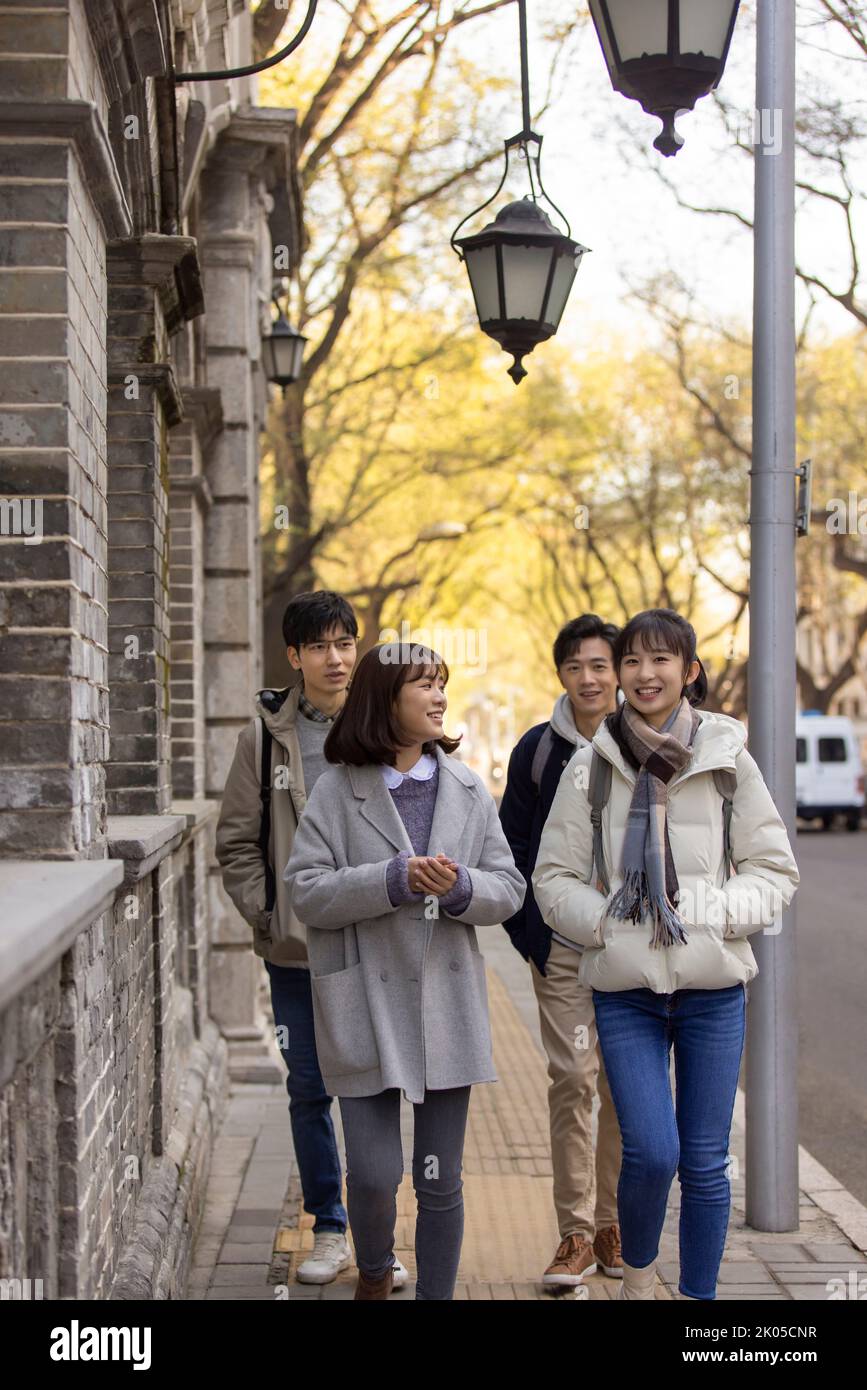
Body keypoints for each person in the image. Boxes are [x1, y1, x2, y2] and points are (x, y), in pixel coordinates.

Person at [533, 608, 800, 1301]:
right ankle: (640, 1274)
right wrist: (607, 924)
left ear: (689, 672)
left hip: (712, 988)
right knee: (652, 1152)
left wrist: (713, 913)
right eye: (630, 660)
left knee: (707, 1163)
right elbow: (552, 878)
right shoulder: (590, 766)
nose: (643, 674)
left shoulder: (726, 761)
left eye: (660, 661)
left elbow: (773, 869)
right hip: (624, 991)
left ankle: (697, 1302)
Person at [283, 641, 525, 1300]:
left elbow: (508, 887)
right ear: (383, 698)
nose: (439, 696)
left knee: (439, 1175)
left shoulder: (470, 788)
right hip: (363, 998)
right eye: (423, 684)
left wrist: (457, 888)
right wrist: (390, 879)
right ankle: (372, 1269)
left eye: (442, 683)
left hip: (446, 1005)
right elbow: (304, 889)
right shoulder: (336, 792)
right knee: (371, 1172)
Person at [215, 590, 408, 1289]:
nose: (336, 658)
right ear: (293, 656)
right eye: (320, 646)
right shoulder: (265, 739)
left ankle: (379, 1238)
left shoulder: (386, 728)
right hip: (297, 951)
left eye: (345, 643)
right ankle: (327, 1225)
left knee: (380, 1085)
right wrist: (268, 915)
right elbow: (236, 842)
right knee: (308, 1088)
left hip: (377, 947)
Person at [499, 615, 624, 1289]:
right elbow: (510, 848)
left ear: (619, 671)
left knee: (623, 1088)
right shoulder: (537, 751)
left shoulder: (647, 742)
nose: (588, 678)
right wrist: (532, 939)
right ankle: (574, 1233)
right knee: (574, 1079)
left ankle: (611, 1224)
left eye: (600, 665)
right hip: (564, 950)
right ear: (561, 675)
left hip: (635, 950)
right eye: (575, 666)